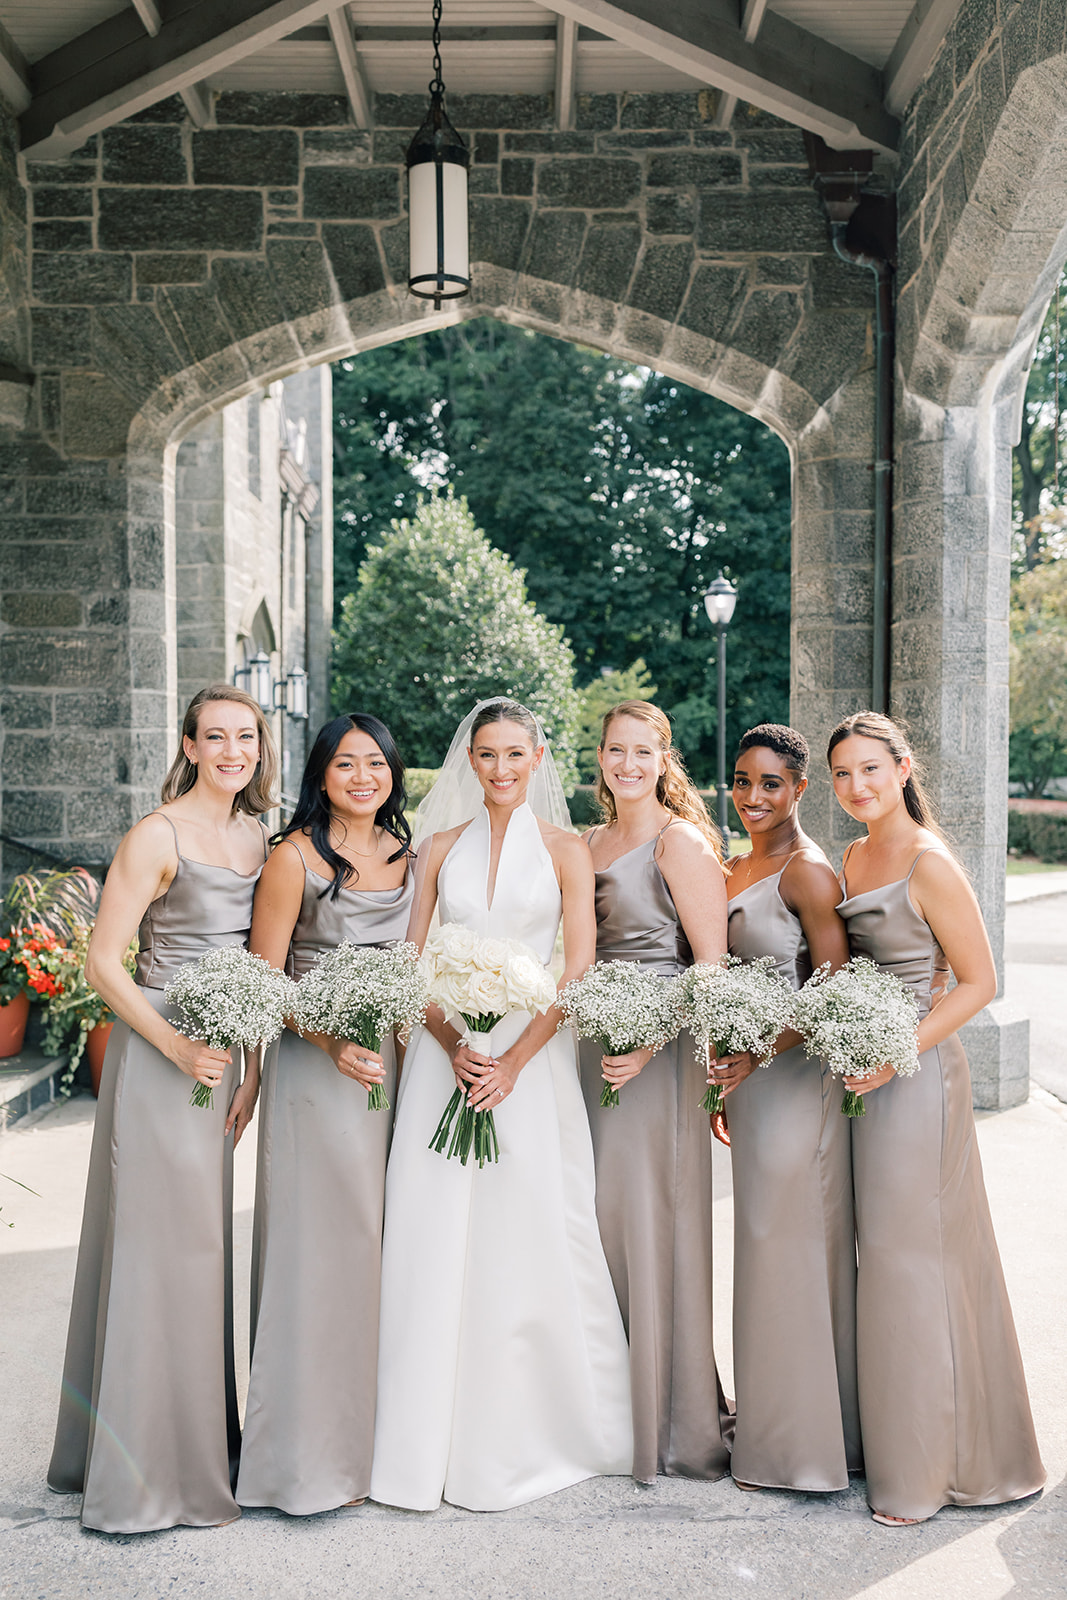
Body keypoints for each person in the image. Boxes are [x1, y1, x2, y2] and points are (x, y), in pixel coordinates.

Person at [370, 698, 633, 1512]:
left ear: (540, 756)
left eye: (515, 754)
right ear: (468, 762)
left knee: (528, 1227)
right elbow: (410, 964)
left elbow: (579, 965)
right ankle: (419, 1436)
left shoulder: (566, 850)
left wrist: (513, 1059)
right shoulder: (438, 848)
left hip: (531, 1058)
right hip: (446, 1060)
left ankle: (529, 1428)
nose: (501, 769)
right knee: (434, 1227)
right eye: (486, 755)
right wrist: (454, 1045)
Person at [48, 686, 276, 1534]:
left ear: (260, 747)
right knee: (155, 1258)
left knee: (199, 1254)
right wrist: (177, 1047)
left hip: (221, 1067)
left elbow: (254, 967)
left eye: (244, 738)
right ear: (188, 743)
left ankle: (194, 1453)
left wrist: (249, 1066)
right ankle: (138, 1480)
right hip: (159, 1063)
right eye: (214, 737)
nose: (230, 751)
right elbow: (106, 963)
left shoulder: (258, 836)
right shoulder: (155, 835)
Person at [828, 711, 1044, 1526]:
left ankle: (923, 1474)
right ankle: (893, 1441)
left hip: (915, 1080)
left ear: (903, 766)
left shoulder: (927, 861)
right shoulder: (851, 854)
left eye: (870, 770)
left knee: (909, 1260)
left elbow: (978, 982)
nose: (857, 787)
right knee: (878, 1257)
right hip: (861, 1074)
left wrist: (892, 1056)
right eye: (843, 774)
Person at [237, 714, 415, 1516]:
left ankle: (380, 1445)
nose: (361, 777)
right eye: (345, 764)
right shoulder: (293, 858)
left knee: (387, 1249)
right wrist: (331, 1039)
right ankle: (300, 1460)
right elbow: (266, 981)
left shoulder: (414, 858)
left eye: (375, 763)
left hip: (401, 1069)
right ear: (320, 774)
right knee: (318, 1255)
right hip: (317, 1069)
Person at [579, 700, 733, 1484]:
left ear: (663, 759)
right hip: (591, 1050)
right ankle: (611, 1411)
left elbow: (708, 964)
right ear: (599, 757)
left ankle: (675, 1422)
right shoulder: (587, 841)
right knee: (601, 1225)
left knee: (655, 1225)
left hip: (656, 1057)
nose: (628, 764)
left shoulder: (680, 843)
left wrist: (646, 1042)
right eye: (615, 750)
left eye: (643, 752)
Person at [711, 723, 860, 1494]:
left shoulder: (807, 872)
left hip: (794, 1078)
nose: (753, 797)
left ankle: (801, 1446)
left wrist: (758, 1052)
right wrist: (725, 1071)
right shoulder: (734, 864)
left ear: (800, 788)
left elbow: (831, 984)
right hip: (748, 1080)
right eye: (741, 781)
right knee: (761, 1249)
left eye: (770, 783)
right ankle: (775, 1421)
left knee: (786, 1247)